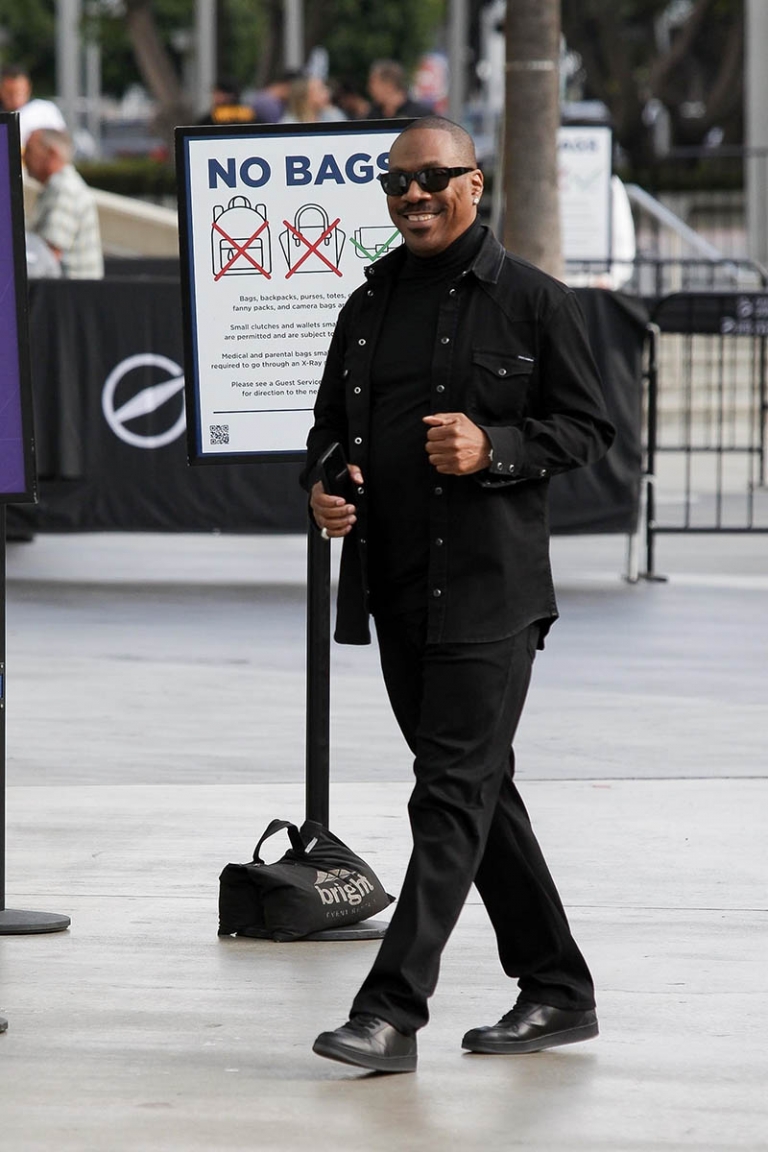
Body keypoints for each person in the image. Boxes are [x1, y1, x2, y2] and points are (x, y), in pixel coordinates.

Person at [303, 116, 615, 1074]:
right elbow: (327, 433)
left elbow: (590, 430)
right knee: (479, 792)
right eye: (398, 183)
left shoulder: (535, 303)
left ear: (475, 185)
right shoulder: (367, 306)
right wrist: (323, 486)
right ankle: (558, 986)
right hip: (395, 593)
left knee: (445, 795)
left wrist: (496, 449)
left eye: (435, 178)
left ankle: (391, 1012)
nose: (414, 197)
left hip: (491, 593)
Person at [25, 129, 104, 279]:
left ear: (52, 154)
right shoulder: (57, 186)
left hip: (69, 297)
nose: (23, 157)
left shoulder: (65, 189)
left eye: (29, 150)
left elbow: (47, 256)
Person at [0, 64, 66, 150]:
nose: (14, 98)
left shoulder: (45, 110)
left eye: (19, 92)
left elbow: (60, 146)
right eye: (9, 93)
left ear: (28, 88)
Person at [367, 60, 433, 120]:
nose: (370, 89)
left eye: (373, 83)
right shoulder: (373, 116)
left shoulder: (421, 116)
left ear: (389, 85)